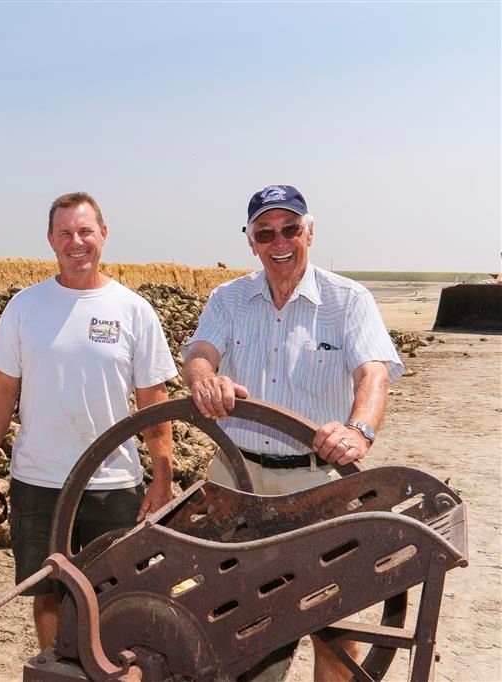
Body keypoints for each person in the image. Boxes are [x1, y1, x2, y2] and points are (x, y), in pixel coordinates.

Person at [182, 184, 403, 682]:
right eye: (265, 233)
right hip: (237, 478)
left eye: (290, 228)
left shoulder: (348, 300)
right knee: (225, 611)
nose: (279, 241)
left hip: (317, 479)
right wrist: (204, 379)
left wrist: (359, 431)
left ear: (310, 232)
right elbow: (199, 354)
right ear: (251, 241)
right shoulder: (228, 298)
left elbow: (373, 373)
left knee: (334, 621)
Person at [0, 191, 179, 652]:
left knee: (114, 596)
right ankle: (55, 670)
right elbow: (2, 393)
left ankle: (107, 673)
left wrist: (163, 476)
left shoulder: (133, 310)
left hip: (113, 484)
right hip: (38, 480)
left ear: (103, 235)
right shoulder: (25, 307)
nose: (76, 241)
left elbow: (153, 399)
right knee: (47, 593)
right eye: (65, 232)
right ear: (51, 239)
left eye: (85, 231)